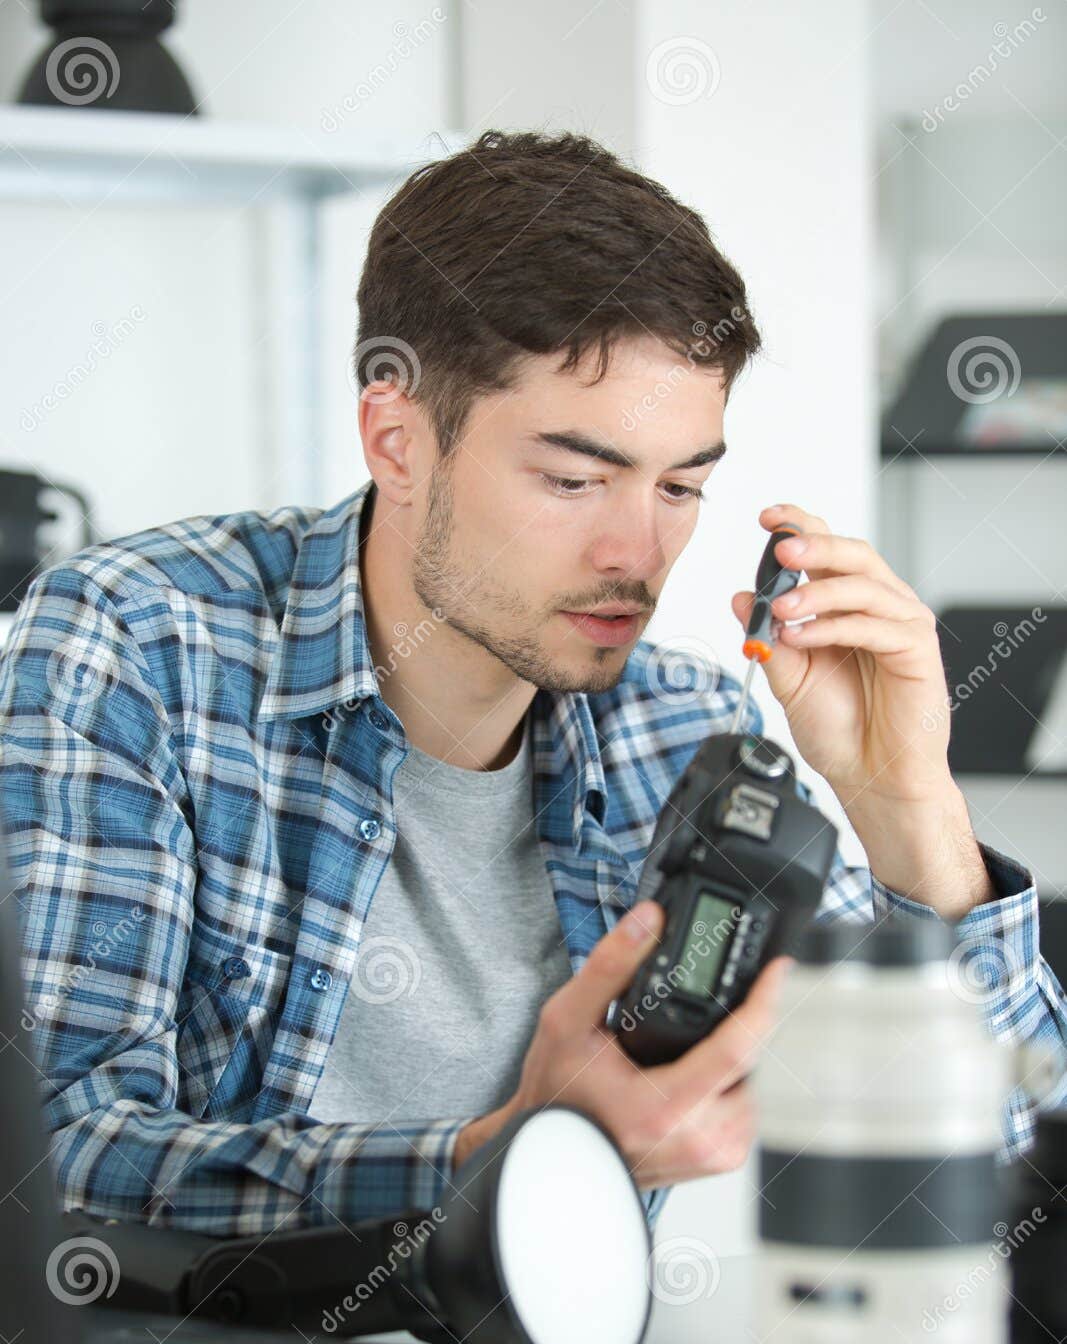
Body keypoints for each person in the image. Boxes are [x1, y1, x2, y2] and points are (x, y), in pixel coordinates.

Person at [0, 130, 1063, 1237]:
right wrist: (508, 1157)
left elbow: (1003, 1170)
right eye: (571, 478)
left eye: (680, 487)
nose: (635, 552)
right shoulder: (135, 644)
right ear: (397, 438)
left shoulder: (681, 725)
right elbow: (54, 1156)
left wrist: (905, 805)